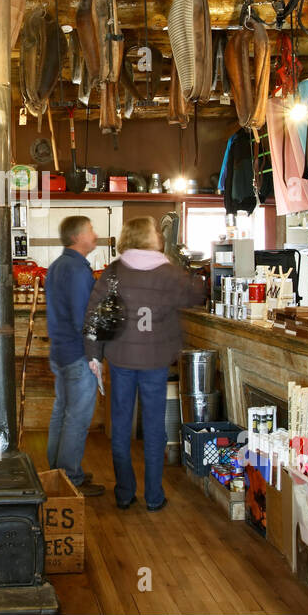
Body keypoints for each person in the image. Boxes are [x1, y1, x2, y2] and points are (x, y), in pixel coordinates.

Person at [84, 216, 203, 512]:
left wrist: (94, 355)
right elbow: (196, 295)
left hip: (121, 359)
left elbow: (94, 318)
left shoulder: (112, 272)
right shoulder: (168, 273)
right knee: (154, 429)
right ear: (152, 238)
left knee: (121, 427)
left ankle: (124, 493)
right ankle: (153, 496)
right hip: (155, 361)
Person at [44, 215, 105, 497]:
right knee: (77, 418)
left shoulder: (56, 266)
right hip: (78, 354)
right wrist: (95, 354)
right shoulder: (79, 271)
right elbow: (85, 318)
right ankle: (70, 478)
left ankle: (57, 471)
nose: (94, 234)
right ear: (78, 237)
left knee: (62, 413)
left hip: (59, 350)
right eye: (91, 229)